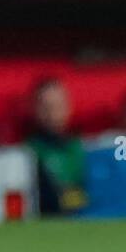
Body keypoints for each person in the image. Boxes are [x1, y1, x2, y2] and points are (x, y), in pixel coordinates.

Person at [26, 77, 88, 215]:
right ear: (33, 109)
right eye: (45, 107)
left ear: (69, 107)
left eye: (57, 106)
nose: (52, 113)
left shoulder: (85, 148)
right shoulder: (27, 154)